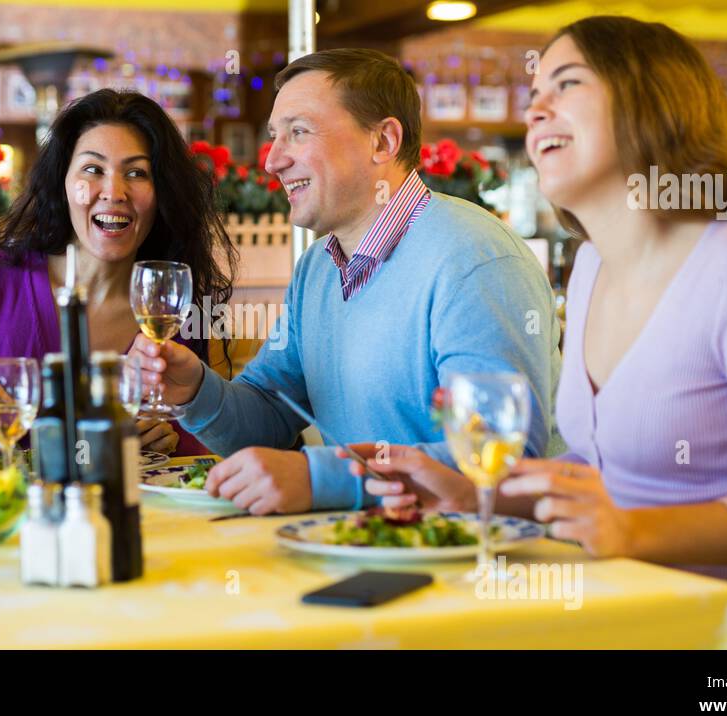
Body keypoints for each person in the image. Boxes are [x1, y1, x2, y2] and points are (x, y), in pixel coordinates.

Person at [343, 17, 727, 649]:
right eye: (536, 92)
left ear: (653, 103)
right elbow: (599, 470)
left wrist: (632, 531)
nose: (537, 108)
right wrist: (470, 492)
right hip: (628, 606)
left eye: (566, 84)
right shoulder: (592, 265)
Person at [130, 48, 560, 515]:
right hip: (366, 551)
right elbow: (269, 414)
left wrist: (322, 478)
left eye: (298, 132)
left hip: (483, 563)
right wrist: (195, 389)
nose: (272, 161)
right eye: (275, 136)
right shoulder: (318, 267)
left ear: (383, 141)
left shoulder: (474, 260)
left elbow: (499, 456)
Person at [0, 89, 235, 457]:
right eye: (93, 170)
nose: (114, 191)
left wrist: (169, 438)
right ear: (63, 184)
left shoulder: (167, 305)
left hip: (123, 508)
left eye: (137, 173)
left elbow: (191, 437)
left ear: (161, 192)